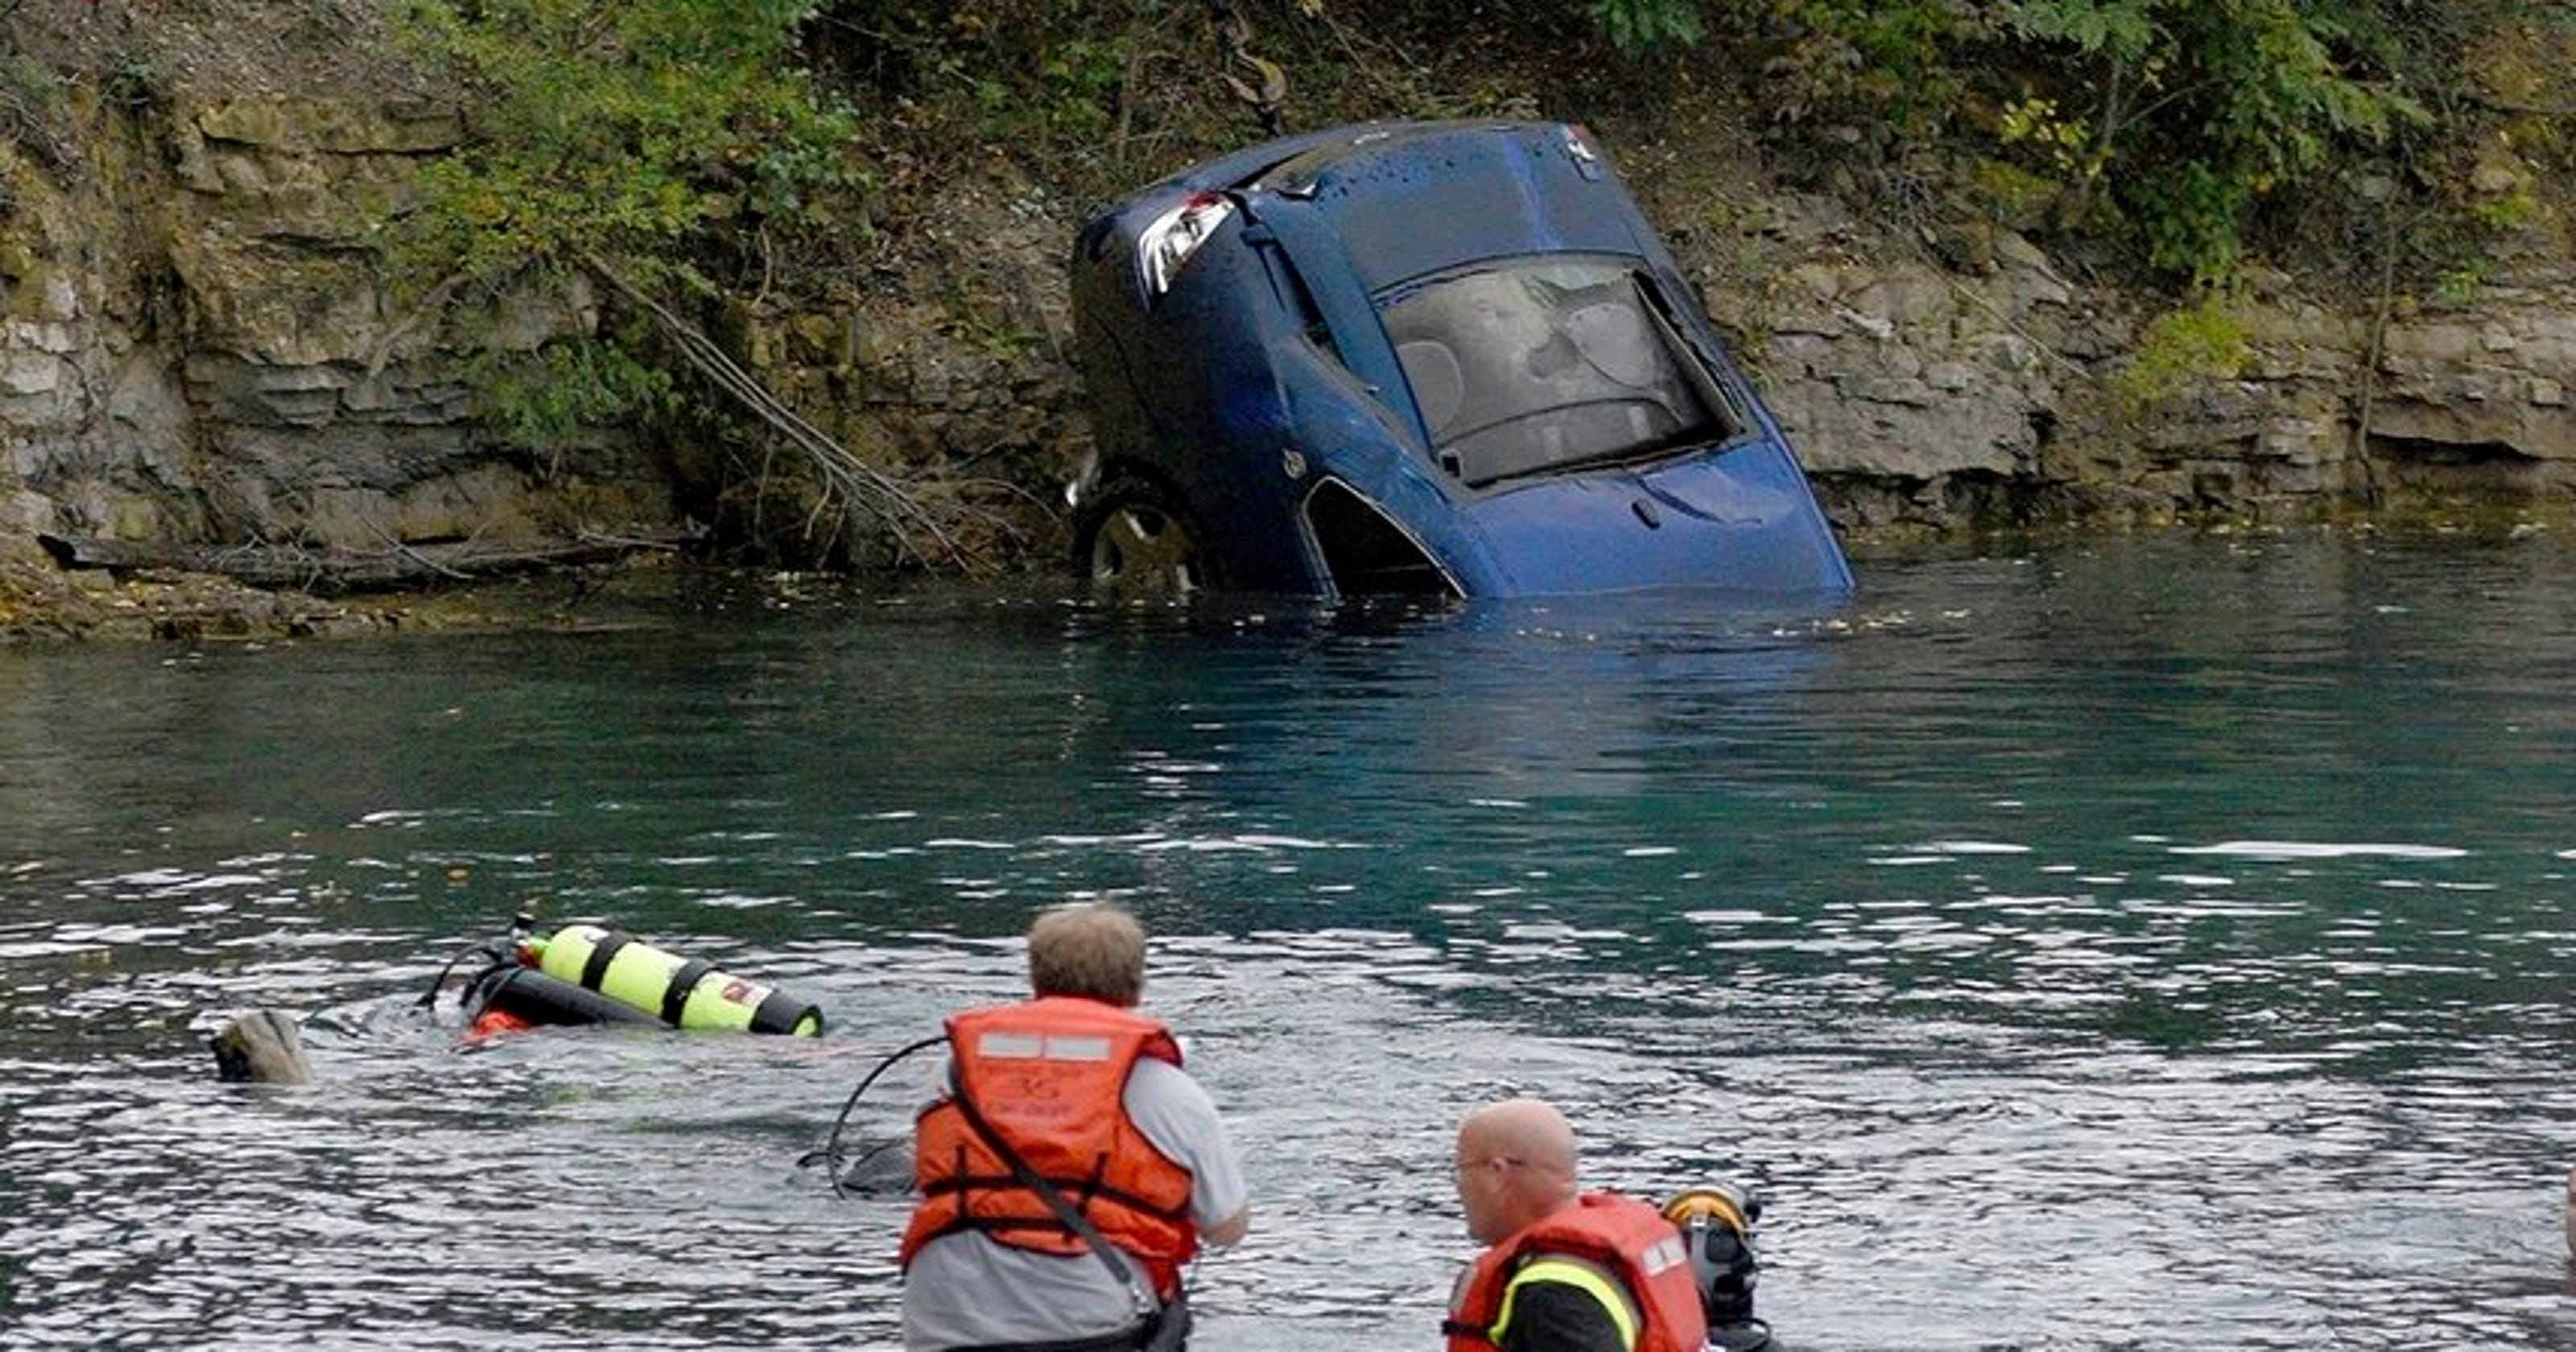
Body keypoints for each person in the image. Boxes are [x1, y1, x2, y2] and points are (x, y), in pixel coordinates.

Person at [900, 904, 1250, 1351]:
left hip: (941, 1311)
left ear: (1036, 978)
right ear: (1135, 985)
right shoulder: (1162, 1087)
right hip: (1087, 1318)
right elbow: (1226, 1228)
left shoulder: (953, 1073)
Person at [1444, 1098, 1710, 1352]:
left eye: (1461, 1171)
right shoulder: (1615, 1248)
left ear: (1497, 1173)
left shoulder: (1550, 1298)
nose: (1459, 1187)